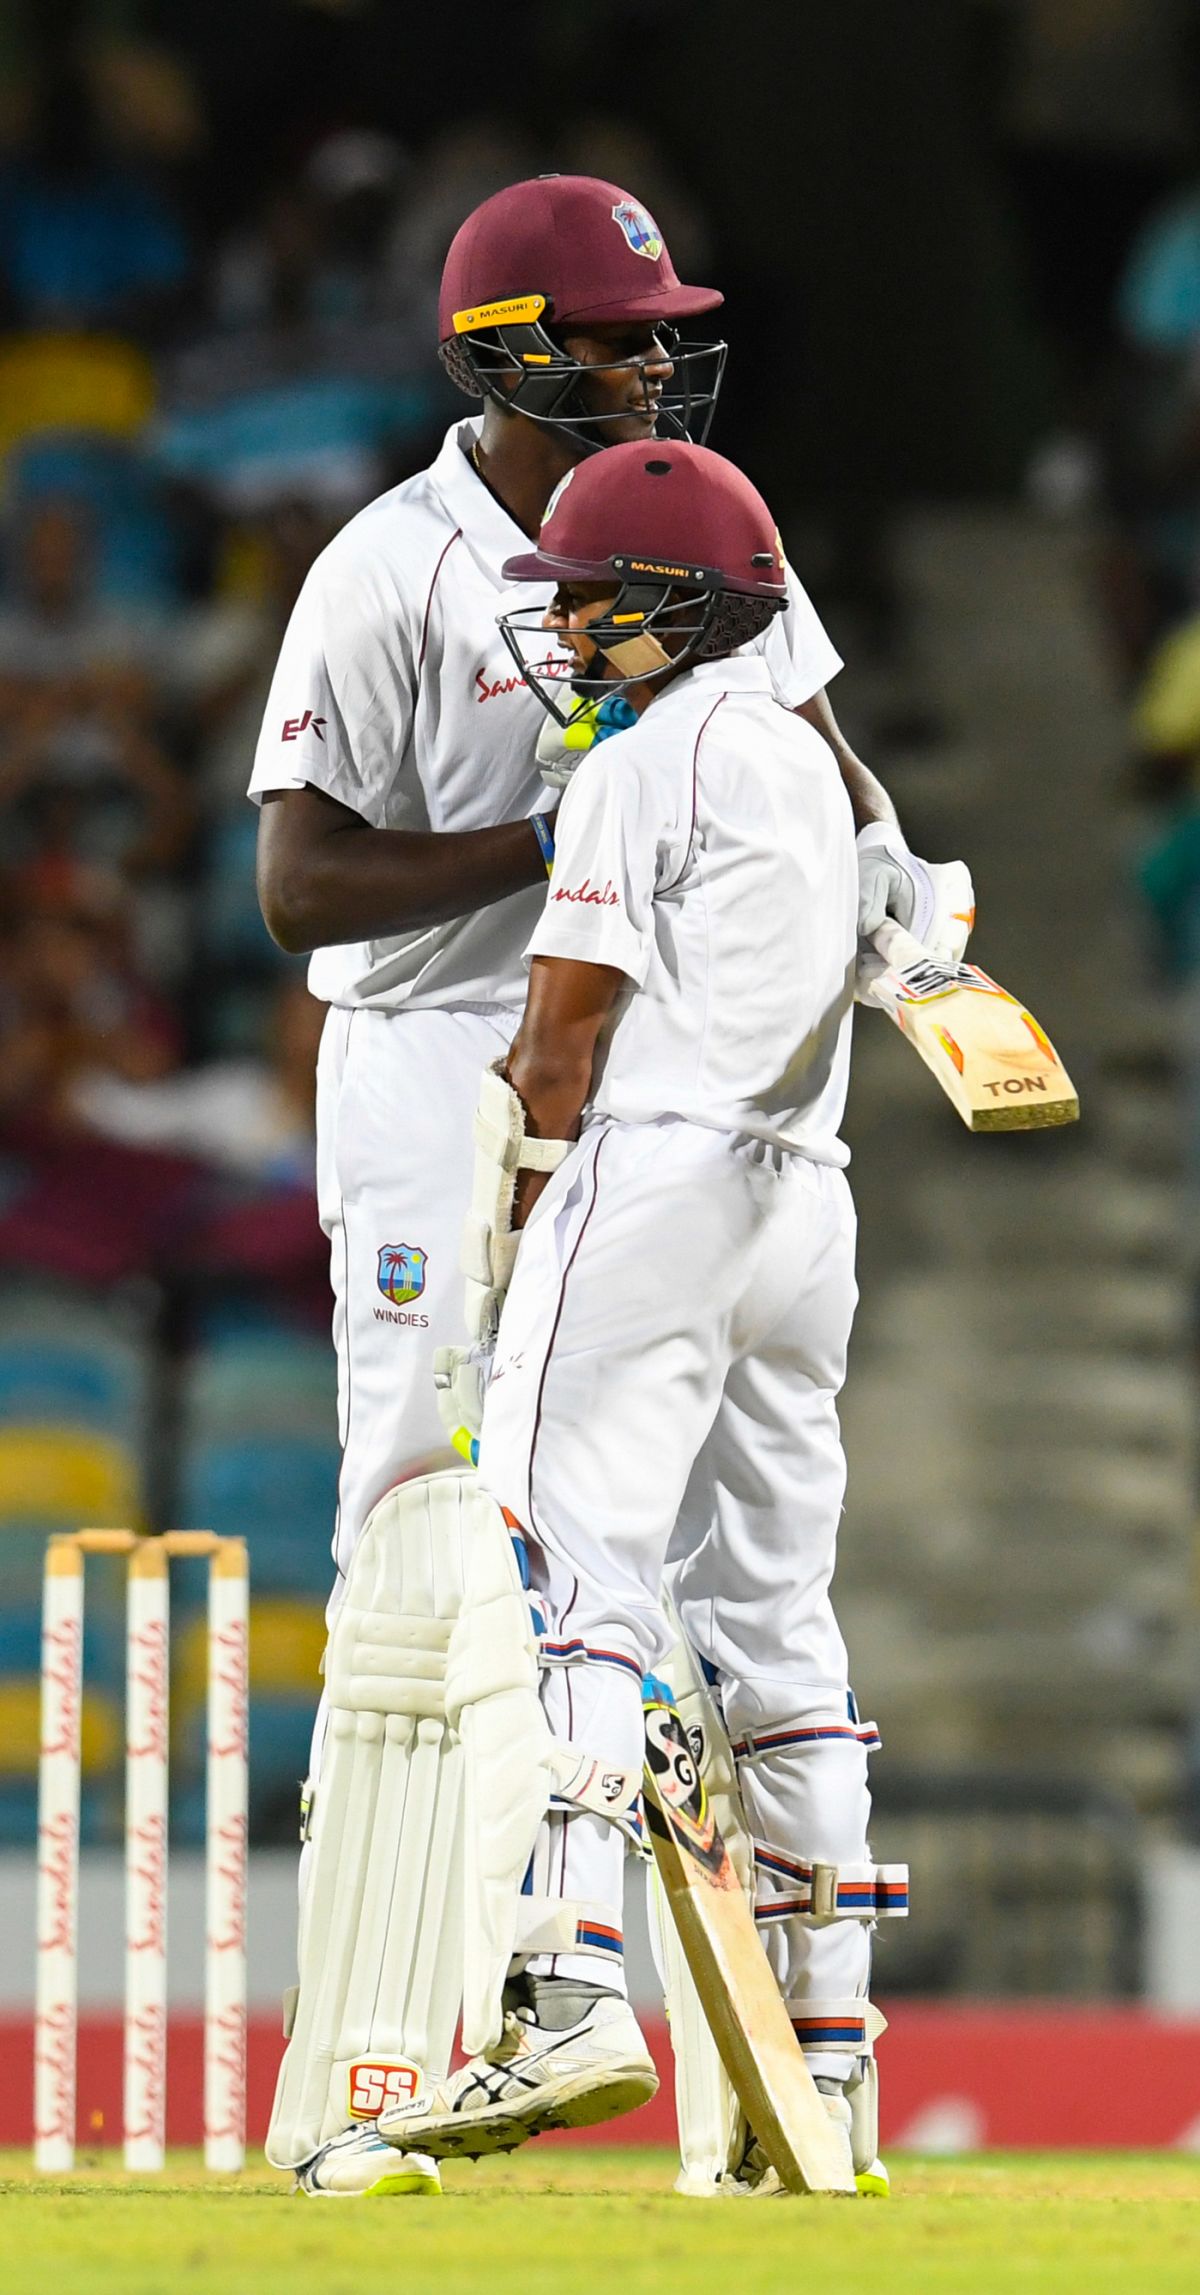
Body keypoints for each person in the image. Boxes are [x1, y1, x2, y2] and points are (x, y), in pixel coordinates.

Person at [252, 172, 967, 2198]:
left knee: (636, 1558)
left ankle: (667, 2031)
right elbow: (299, 884)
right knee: (418, 1523)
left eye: (663, 330)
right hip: (431, 1070)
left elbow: (837, 773)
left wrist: (889, 900)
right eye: (619, 333)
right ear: (504, 353)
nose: (657, 360)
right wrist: (573, 832)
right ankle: (384, 2043)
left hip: (628, 1079)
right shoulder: (388, 568)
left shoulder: (692, 525)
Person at [377, 438, 882, 2186]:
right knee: (783, 1625)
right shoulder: (814, 771)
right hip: (804, 1204)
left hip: (655, 1182)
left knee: (566, 1567)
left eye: (593, 597)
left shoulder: (645, 762)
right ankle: (830, 2066)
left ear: (675, 600)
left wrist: (510, 1237)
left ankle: (567, 1983)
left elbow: (562, 1042)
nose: (571, 628)